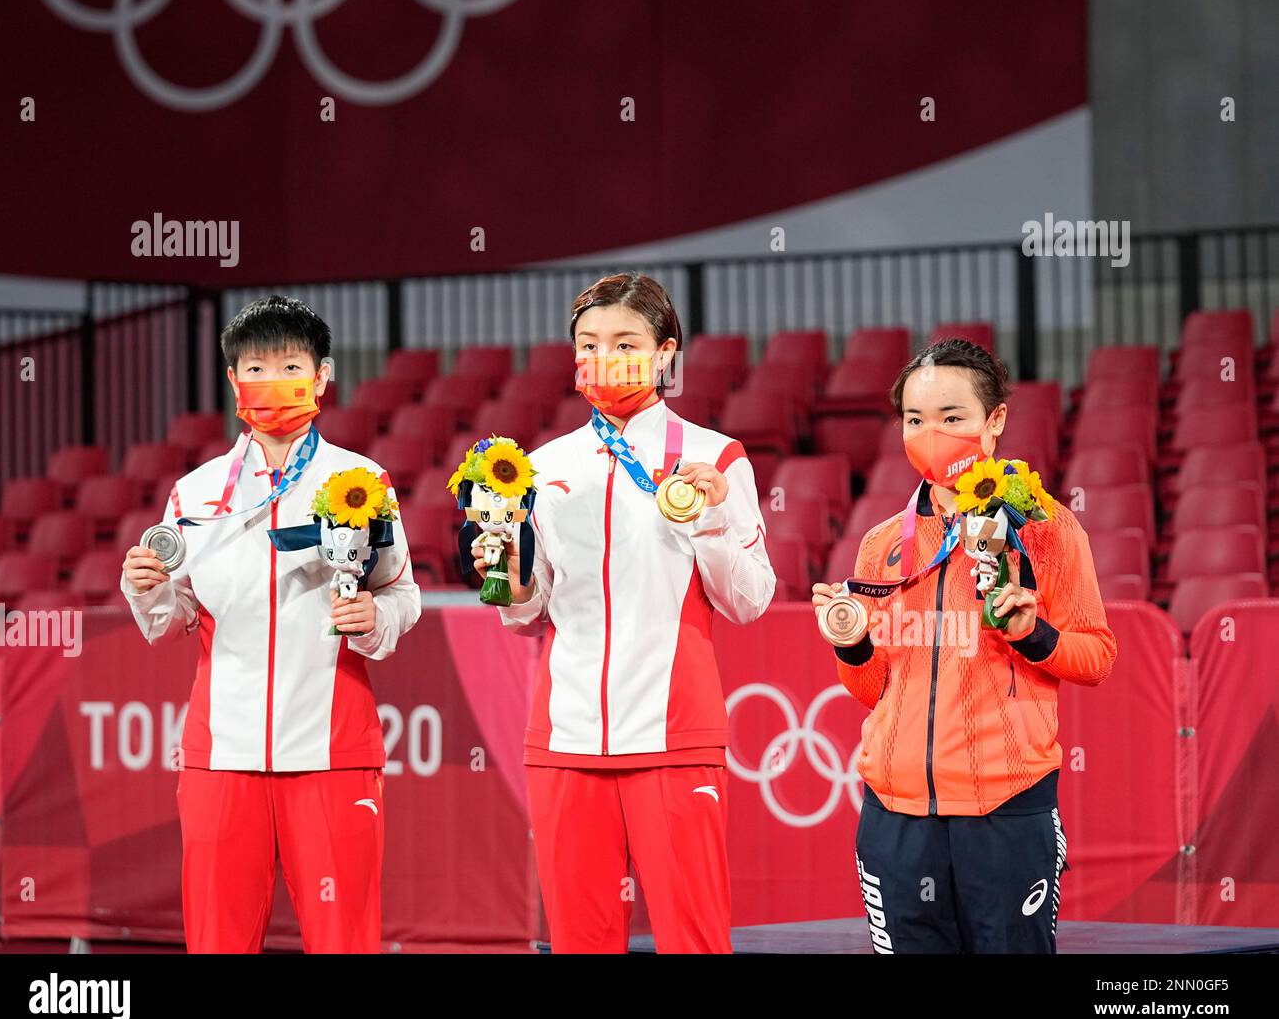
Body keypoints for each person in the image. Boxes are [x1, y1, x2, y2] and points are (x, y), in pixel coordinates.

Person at [474, 272, 776, 953]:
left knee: (692, 940)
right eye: (589, 343)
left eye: (626, 342)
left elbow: (752, 598)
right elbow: (526, 613)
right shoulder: (541, 466)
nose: (605, 356)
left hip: (673, 735)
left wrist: (707, 521)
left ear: (666, 353)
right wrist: (513, 582)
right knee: (580, 941)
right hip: (566, 737)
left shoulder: (714, 456)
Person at [120, 295, 421, 953]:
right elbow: (175, 618)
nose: (273, 380)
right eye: (256, 367)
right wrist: (147, 591)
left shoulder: (361, 480)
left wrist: (372, 619)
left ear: (320, 376)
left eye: (290, 364)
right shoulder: (195, 493)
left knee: (345, 940)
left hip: (332, 751)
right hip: (221, 757)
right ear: (234, 381)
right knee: (217, 941)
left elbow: (403, 592)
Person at [811, 337, 1116, 954]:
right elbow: (872, 691)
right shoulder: (880, 545)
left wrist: (1032, 633)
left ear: (995, 420)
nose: (932, 434)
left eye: (952, 418)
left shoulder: (1048, 530)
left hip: (1006, 809)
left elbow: (1097, 658)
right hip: (894, 816)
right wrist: (850, 646)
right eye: (916, 420)